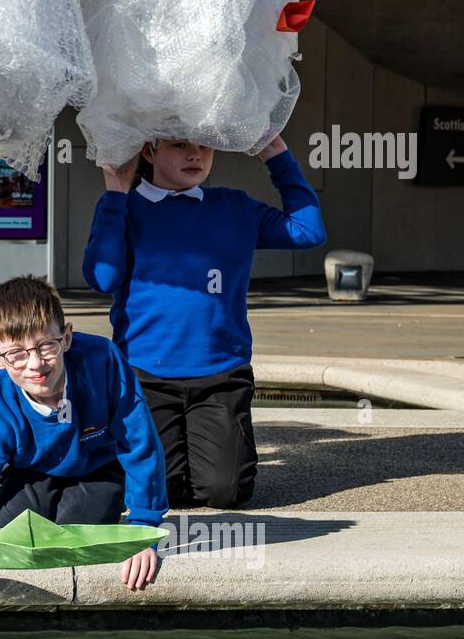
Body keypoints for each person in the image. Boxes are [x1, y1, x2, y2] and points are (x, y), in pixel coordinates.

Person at [83, 135, 326, 509]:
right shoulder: (125, 207)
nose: (196, 154)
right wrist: (115, 194)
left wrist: (275, 152)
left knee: (224, 492)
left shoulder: (234, 206)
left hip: (220, 377)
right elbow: (102, 277)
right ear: (149, 151)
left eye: (206, 145)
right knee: (159, 493)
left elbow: (308, 231)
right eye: (180, 145)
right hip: (146, 378)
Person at [0, 276, 166, 593]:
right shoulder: (3, 402)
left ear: (66, 338)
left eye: (46, 346)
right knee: (6, 528)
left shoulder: (103, 362)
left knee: (78, 534)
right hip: (33, 470)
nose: (35, 364)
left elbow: (140, 446)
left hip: (98, 467)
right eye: (17, 354)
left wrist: (143, 532)